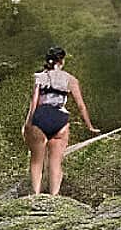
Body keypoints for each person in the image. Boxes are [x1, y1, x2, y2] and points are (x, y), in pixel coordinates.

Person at [21, 46, 99, 195]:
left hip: (41, 117)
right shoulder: (70, 79)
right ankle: (54, 196)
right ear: (62, 61)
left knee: (37, 161)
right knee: (55, 163)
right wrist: (90, 126)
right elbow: (81, 106)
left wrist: (28, 124)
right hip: (60, 119)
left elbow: (34, 102)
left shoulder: (40, 77)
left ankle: (36, 195)